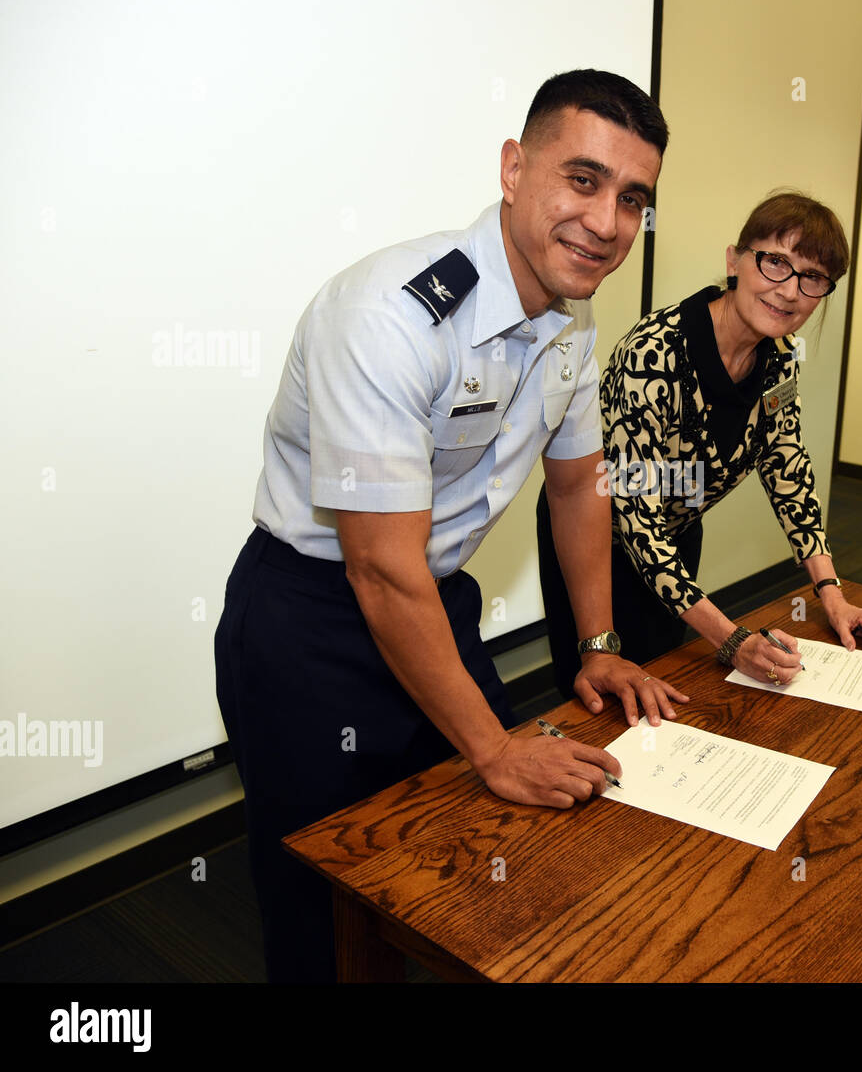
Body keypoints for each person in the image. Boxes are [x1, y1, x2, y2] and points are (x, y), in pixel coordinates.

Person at [214, 69, 686, 984]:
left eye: (633, 199)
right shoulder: (388, 314)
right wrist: (495, 747)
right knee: (325, 887)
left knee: (485, 844)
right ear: (514, 169)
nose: (607, 223)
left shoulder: (572, 315)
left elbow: (582, 482)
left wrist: (596, 641)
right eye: (582, 180)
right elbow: (380, 570)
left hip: (432, 600)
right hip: (310, 618)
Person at [538, 191, 862, 696]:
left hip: (677, 537)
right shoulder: (654, 354)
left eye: (813, 278)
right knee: (599, 694)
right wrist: (731, 642)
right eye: (775, 262)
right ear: (734, 260)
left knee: (665, 680)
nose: (790, 291)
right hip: (598, 541)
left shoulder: (780, 357)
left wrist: (831, 592)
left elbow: (786, 465)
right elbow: (637, 519)